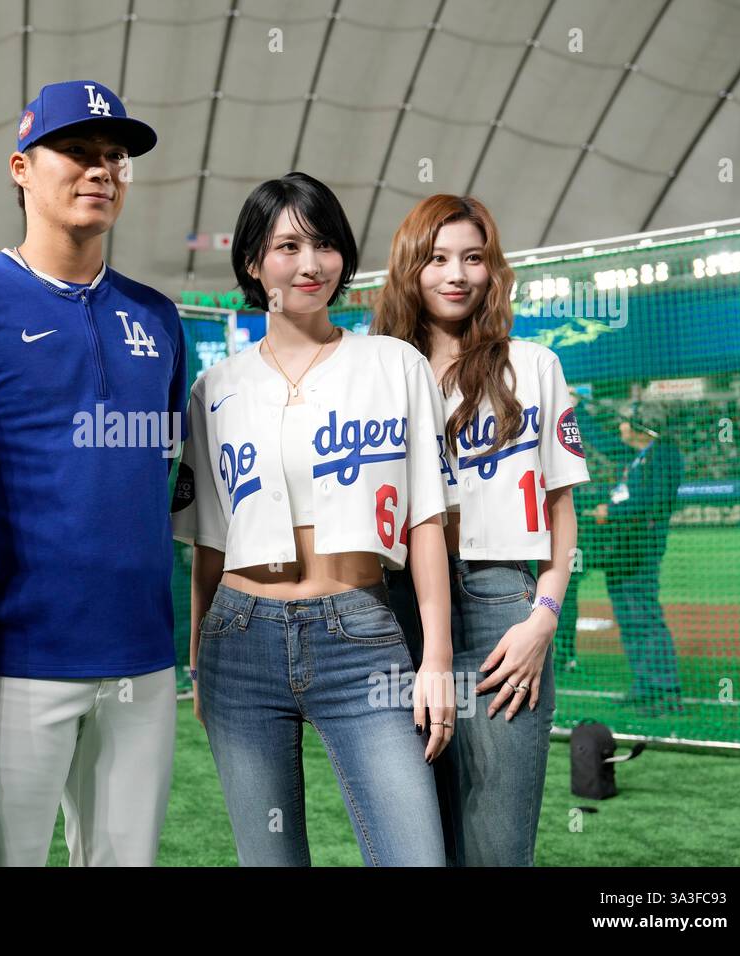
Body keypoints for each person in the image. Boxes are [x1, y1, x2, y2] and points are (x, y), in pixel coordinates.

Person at [0, 80, 187, 866]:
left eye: (116, 157)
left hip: (140, 656)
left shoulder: (158, 318)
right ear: (22, 167)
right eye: (78, 152)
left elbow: (154, 474)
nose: (102, 170)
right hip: (2, 654)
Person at [172, 172, 455, 866]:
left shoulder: (395, 365)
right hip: (239, 639)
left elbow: (425, 524)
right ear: (251, 263)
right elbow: (210, 546)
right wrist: (199, 661)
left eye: (325, 244)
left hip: (359, 632)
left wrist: (438, 658)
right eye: (287, 245)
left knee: (414, 854)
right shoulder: (216, 388)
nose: (309, 263)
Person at [372, 194, 589, 867]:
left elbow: (561, 510)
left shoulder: (534, 365)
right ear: (410, 268)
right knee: (415, 844)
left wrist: (542, 618)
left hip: (503, 611)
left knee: (494, 847)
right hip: (396, 609)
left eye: (473, 257)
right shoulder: (375, 373)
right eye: (437, 258)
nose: (456, 274)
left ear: (494, 271)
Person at [595, 400, 685, 715]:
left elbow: (653, 500)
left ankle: (665, 691)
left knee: (645, 617)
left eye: (625, 421)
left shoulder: (664, 454)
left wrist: (612, 511)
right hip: (622, 551)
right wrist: (574, 409)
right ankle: (645, 687)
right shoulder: (639, 456)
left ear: (642, 428)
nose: (621, 427)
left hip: (641, 550)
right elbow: (600, 442)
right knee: (631, 620)